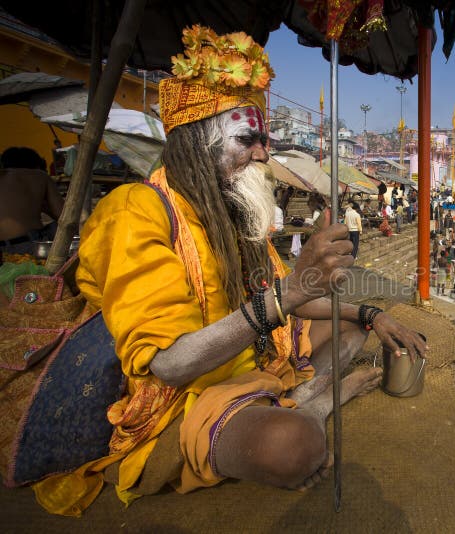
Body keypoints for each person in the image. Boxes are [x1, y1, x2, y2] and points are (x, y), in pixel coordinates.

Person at [34, 26, 427, 516]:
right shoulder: (135, 210)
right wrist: (291, 291)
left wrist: (370, 313)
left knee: (353, 331)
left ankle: (302, 397)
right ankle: (313, 407)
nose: (263, 153)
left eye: (264, 139)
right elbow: (170, 365)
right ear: (198, 144)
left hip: (260, 358)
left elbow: (297, 298)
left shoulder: (236, 215)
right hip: (183, 394)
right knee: (296, 449)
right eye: (248, 139)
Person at [0, 146, 64, 258]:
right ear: (36, 165)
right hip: (30, 245)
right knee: (58, 227)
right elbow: (65, 217)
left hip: (2, 250)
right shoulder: (40, 176)